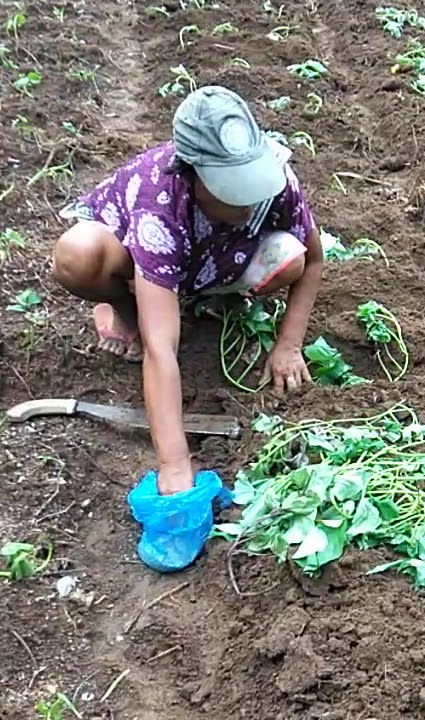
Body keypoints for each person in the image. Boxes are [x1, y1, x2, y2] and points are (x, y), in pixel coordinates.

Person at [51, 85, 323, 502]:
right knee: (77, 257)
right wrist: (175, 464)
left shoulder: (276, 179)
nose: (248, 202)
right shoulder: (157, 204)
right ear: (190, 175)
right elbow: (163, 348)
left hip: (215, 257)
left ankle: (209, 294)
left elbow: (316, 259)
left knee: (292, 258)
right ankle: (126, 307)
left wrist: (288, 345)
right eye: (231, 191)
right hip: (138, 256)